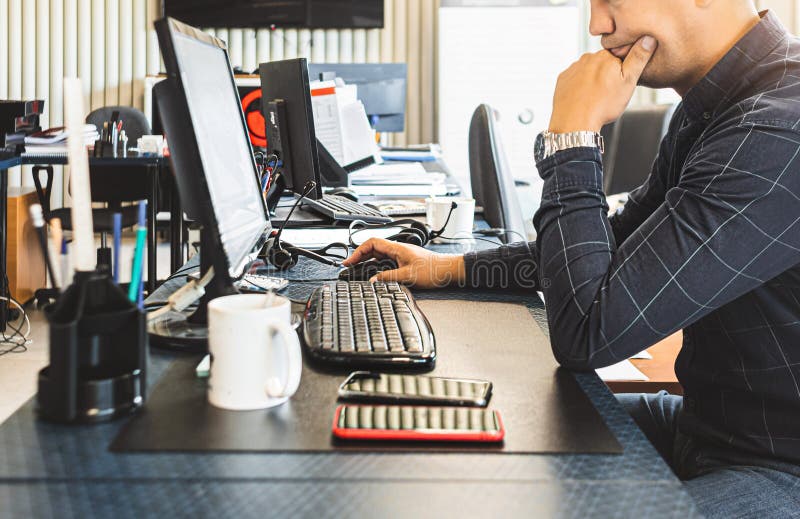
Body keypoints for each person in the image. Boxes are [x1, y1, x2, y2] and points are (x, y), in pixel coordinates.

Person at [344, 1, 800, 515]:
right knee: (475, 436)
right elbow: (615, 245)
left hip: (779, 466)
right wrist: (448, 267)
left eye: (611, 1)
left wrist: (573, 137)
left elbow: (589, 330)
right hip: (709, 430)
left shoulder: (781, 128)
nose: (597, 25)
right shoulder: (716, 111)